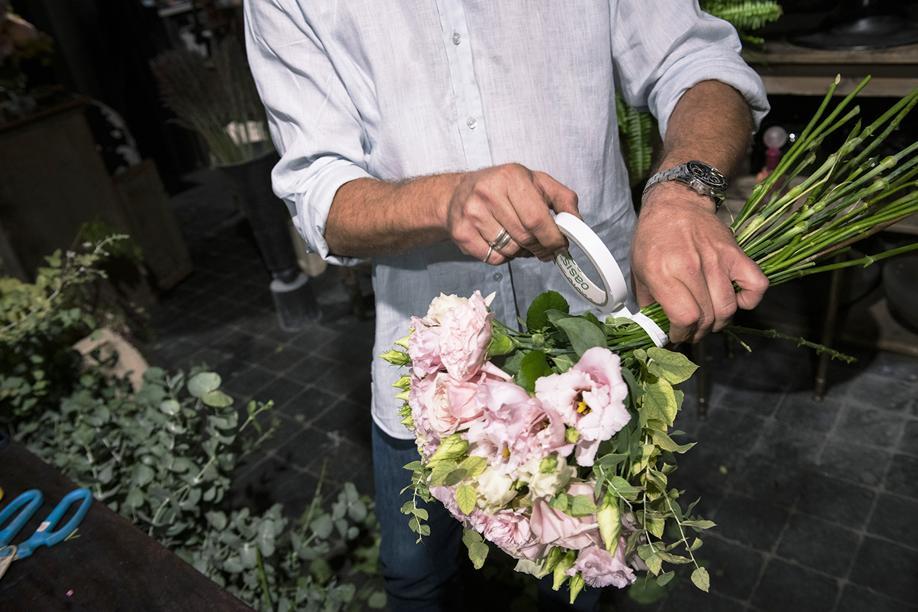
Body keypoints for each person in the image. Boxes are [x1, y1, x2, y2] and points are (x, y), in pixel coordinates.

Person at [245, 2, 770, 610]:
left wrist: (683, 194)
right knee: (416, 575)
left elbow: (695, 58)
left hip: (597, 364)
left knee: (584, 576)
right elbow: (317, 190)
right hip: (434, 379)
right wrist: (445, 201)